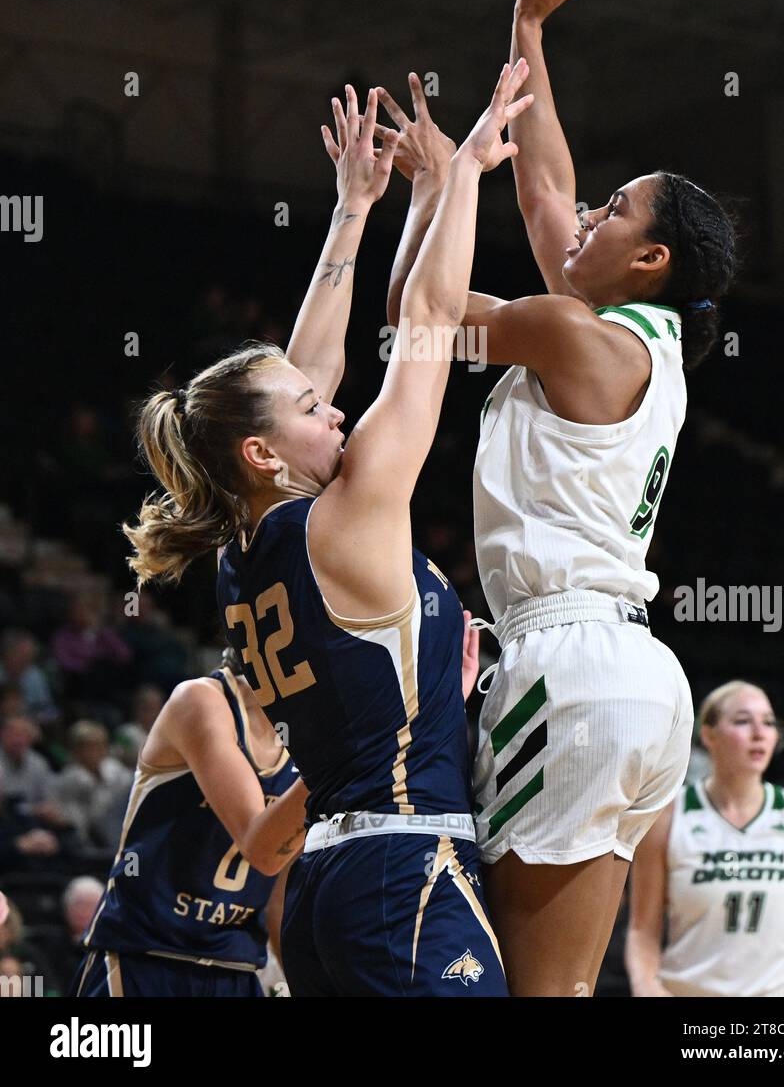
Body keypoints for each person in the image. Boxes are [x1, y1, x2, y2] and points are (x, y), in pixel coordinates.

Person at [378, 0, 737, 995]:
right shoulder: (637, 340)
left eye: (615, 210)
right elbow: (543, 200)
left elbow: (419, 318)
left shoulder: (574, 336)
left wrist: (439, 190)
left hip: (567, 666)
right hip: (634, 683)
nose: (586, 212)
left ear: (650, 259)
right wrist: (528, 26)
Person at [123, 66, 532, 996]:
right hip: (404, 873)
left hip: (322, 890)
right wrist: (463, 174)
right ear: (267, 454)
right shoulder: (345, 517)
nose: (337, 412)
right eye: (318, 411)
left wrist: (356, 209)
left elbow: (299, 369)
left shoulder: (242, 551)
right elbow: (426, 322)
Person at [73, 652, 305, 998]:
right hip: (146, 960)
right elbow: (261, 848)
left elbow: (279, 899)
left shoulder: (306, 740)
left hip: (235, 970)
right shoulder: (201, 700)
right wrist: (343, 763)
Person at [626, 680, 784, 997]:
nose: (759, 732)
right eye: (742, 721)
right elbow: (643, 929)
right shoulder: (668, 819)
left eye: (767, 722)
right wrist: (646, 985)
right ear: (708, 735)